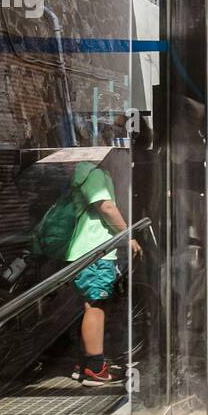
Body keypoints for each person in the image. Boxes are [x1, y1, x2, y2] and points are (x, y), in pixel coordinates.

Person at [65, 160, 141, 386]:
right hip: (95, 250)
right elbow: (106, 207)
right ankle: (96, 368)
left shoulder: (83, 172)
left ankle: (85, 363)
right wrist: (128, 235)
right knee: (96, 306)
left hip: (84, 249)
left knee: (90, 306)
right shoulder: (94, 174)